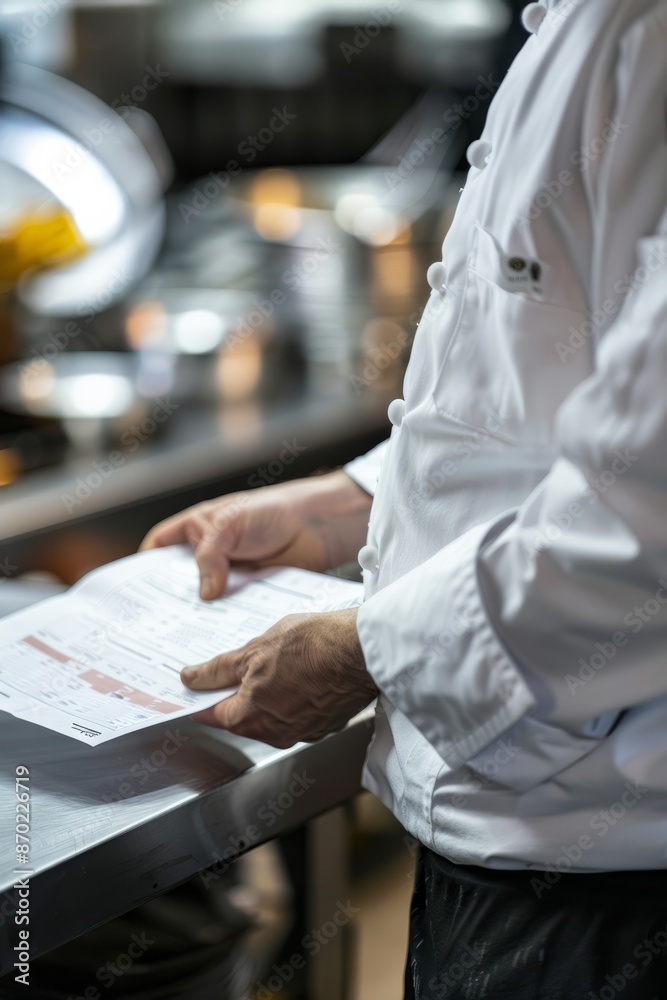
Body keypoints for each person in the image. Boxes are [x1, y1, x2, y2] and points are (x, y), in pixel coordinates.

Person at [142, 1, 667, 996]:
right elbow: (571, 409)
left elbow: (642, 526)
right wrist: (348, 504)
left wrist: (364, 649)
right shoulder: (580, 27)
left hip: (612, 896)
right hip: (515, 853)